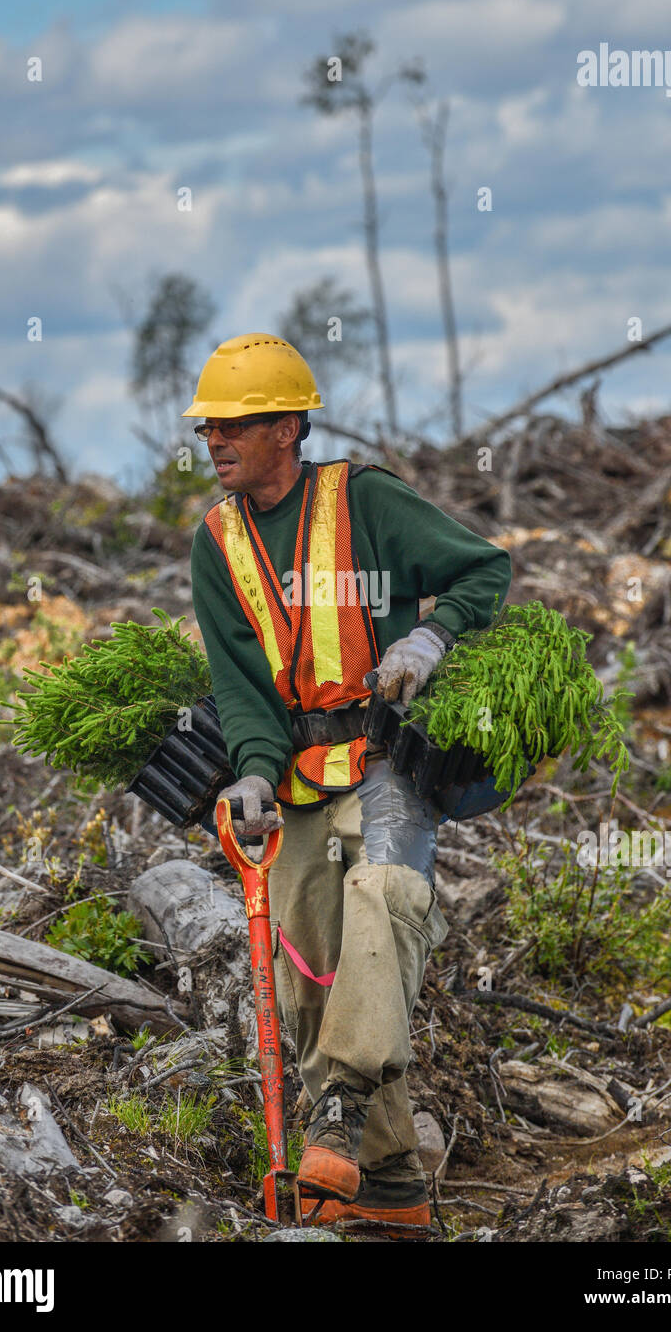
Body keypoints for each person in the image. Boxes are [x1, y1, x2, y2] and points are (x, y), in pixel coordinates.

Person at [188, 333, 511, 1232]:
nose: (215, 440)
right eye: (210, 424)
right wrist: (252, 776)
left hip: (384, 762)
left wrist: (430, 638)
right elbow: (239, 686)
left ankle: (333, 1109)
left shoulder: (361, 500)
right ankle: (397, 1189)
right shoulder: (215, 542)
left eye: (237, 425)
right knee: (312, 980)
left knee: (385, 899)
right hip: (296, 777)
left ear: (288, 427)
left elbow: (484, 568)